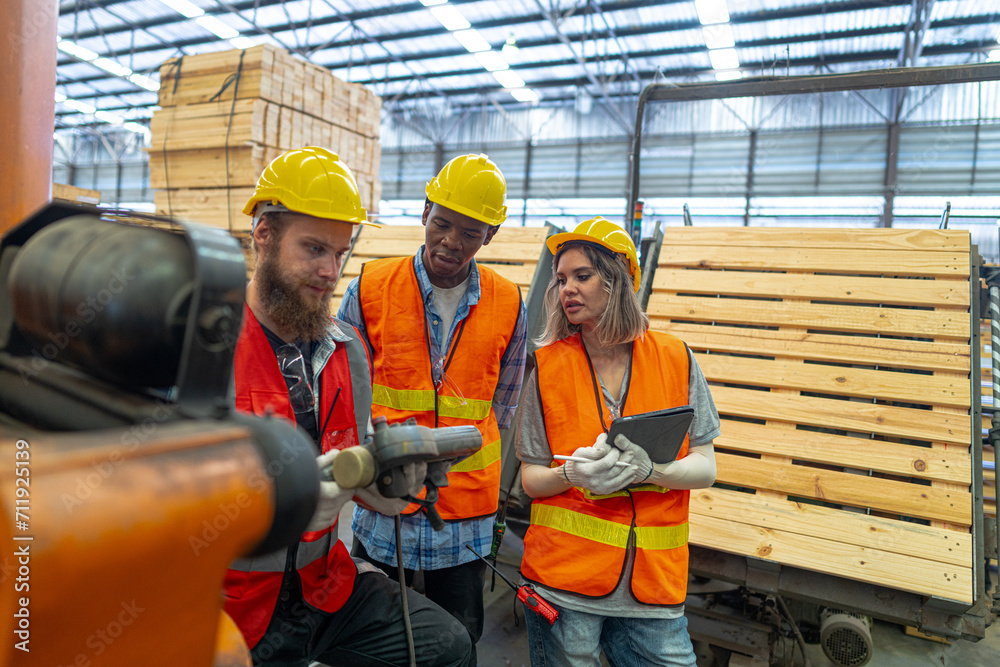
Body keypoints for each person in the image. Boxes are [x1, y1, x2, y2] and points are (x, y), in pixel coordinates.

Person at [224, 146, 473, 667]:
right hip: (231, 603)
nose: (329, 271)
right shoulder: (209, 348)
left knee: (448, 647)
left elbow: (354, 472)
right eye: (314, 248)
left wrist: (390, 489)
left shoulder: (345, 348)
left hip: (323, 587)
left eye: (339, 253)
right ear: (263, 234)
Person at [337, 153, 528, 661]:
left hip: (464, 507)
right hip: (384, 499)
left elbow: (504, 403)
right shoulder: (371, 287)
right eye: (442, 223)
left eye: (469, 232)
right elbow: (341, 389)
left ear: (489, 235)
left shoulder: (508, 303)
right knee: (372, 633)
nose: (451, 241)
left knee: (459, 636)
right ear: (424, 210)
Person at [514, 217, 720, 667]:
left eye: (582, 276)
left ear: (619, 280)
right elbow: (531, 479)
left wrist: (654, 472)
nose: (567, 288)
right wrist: (571, 473)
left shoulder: (674, 358)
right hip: (564, 584)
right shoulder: (546, 368)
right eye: (561, 279)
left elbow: (706, 467)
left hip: (653, 590)